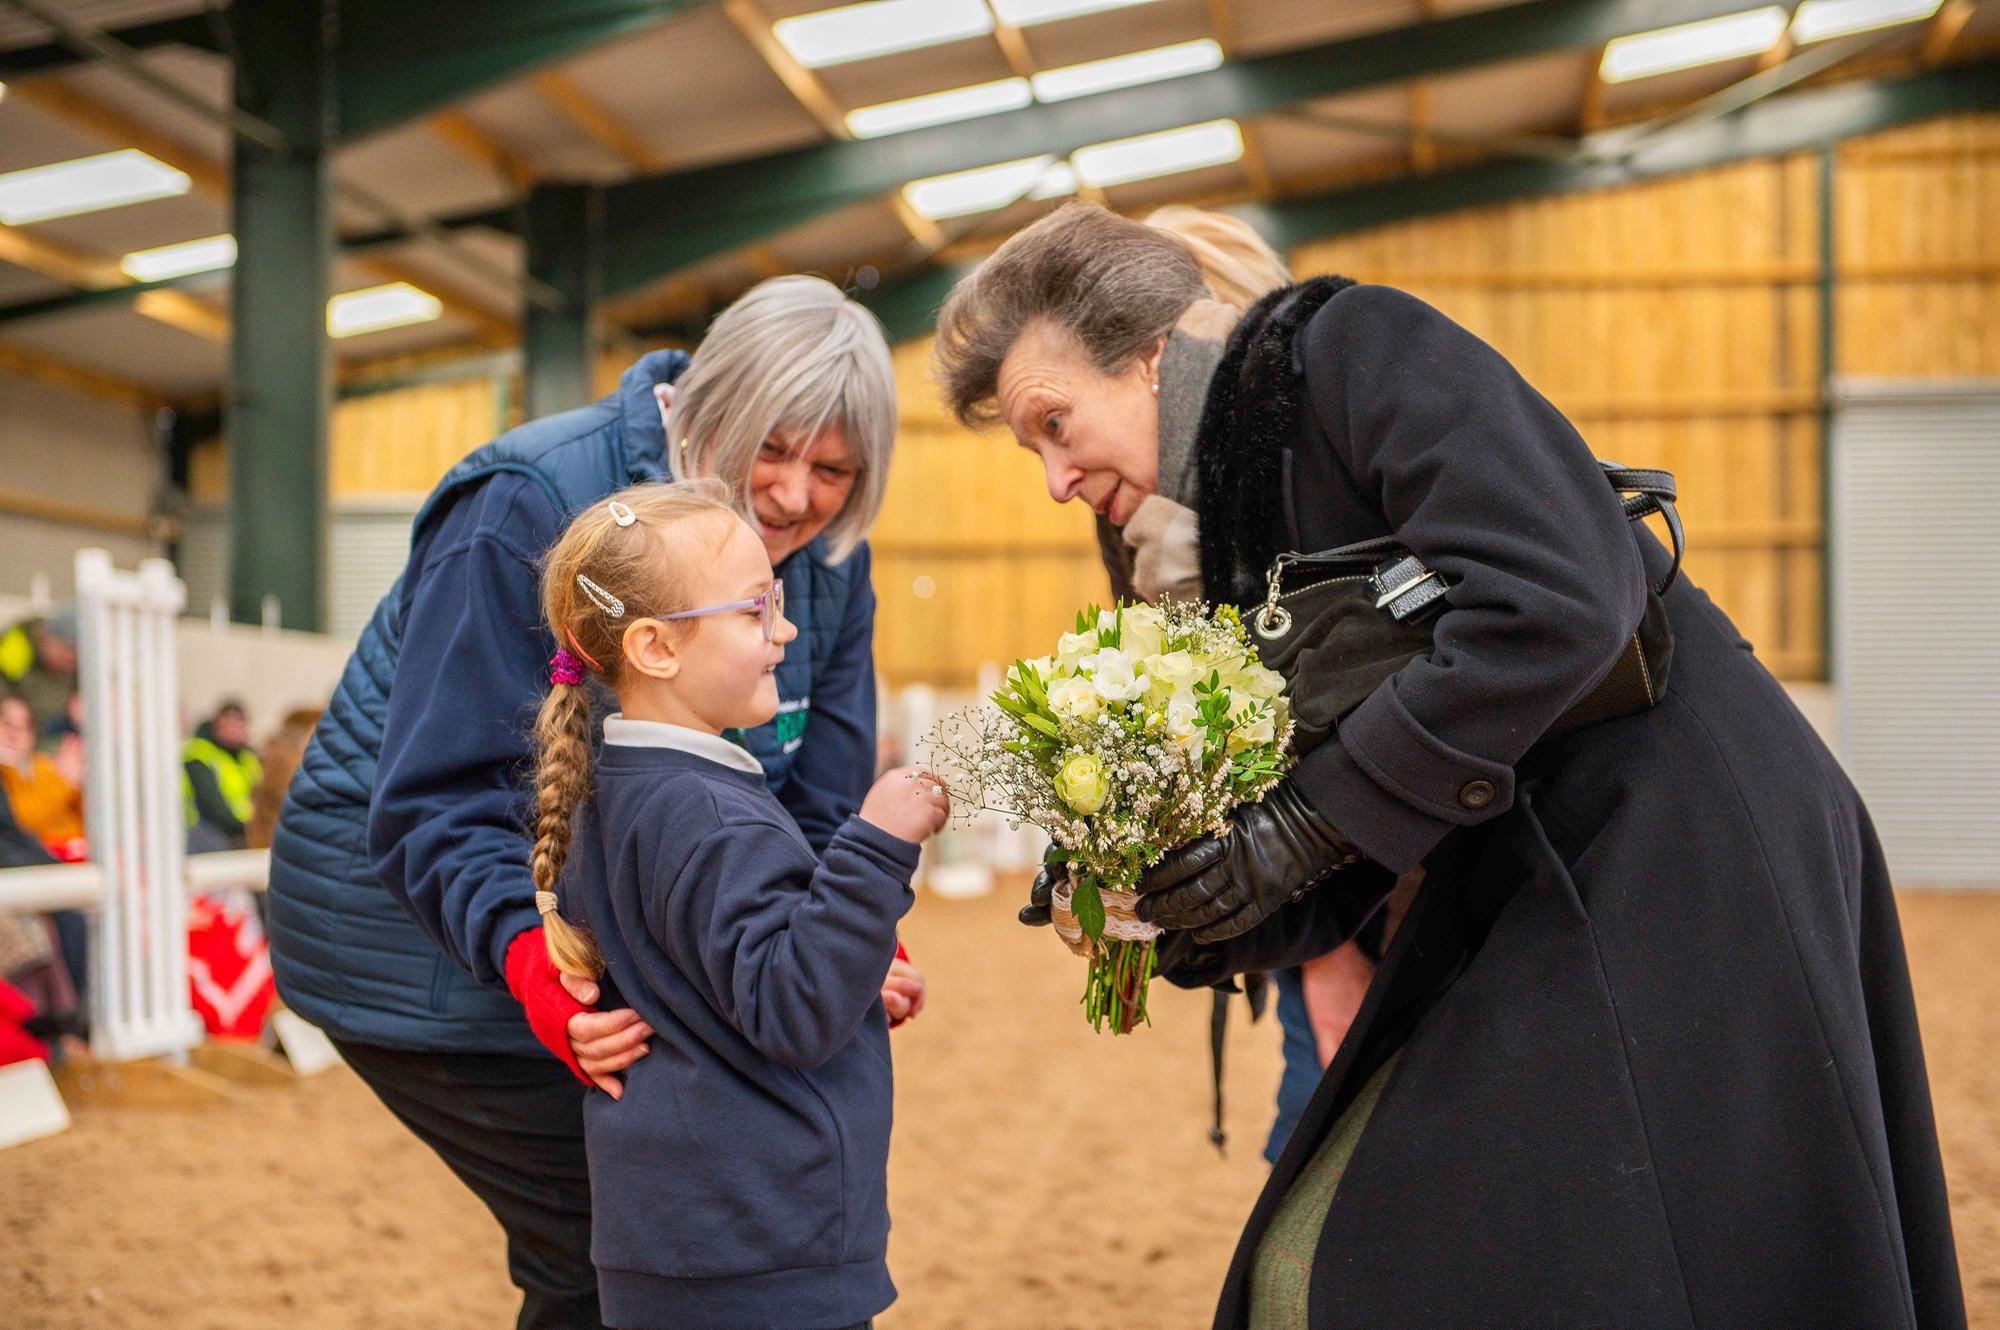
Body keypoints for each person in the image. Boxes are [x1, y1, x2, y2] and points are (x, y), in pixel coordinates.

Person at [932, 203, 1963, 1329]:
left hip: (1683, 845)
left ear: (1147, 356)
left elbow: (1558, 600)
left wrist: (1301, 829)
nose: (1050, 478)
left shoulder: (1349, 351)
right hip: (1515, 874)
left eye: (1051, 423)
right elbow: (1319, 845)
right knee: (1304, 1263)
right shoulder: (1207, 549)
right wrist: (1179, 910)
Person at [266, 274, 918, 1330]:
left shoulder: (826, 560)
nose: (794, 495)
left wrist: (842, 936)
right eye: (769, 448)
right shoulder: (527, 500)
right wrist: (530, 958)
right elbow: (438, 800)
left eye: (834, 469)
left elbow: (820, 799)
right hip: (413, 934)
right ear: (704, 410)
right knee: (612, 1244)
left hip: (620, 924)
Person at [530, 483, 943, 1330]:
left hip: (678, 1240)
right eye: (757, 611)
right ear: (654, 647)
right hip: (763, 1247)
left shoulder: (619, 791)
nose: (784, 631)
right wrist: (876, 846)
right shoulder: (707, 812)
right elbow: (791, 1010)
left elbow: (716, 975)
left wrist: (859, 974)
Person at [182, 700, 262, 850]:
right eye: (228, 724)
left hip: (245, 830)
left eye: (238, 725)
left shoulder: (248, 758)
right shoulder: (200, 754)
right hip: (207, 830)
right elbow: (212, 805)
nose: (233, 730)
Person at [0, 609, 77, 732]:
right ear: (47, 640)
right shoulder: (14, 648)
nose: (71, 659)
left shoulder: (77, 664)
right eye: (66, 651)